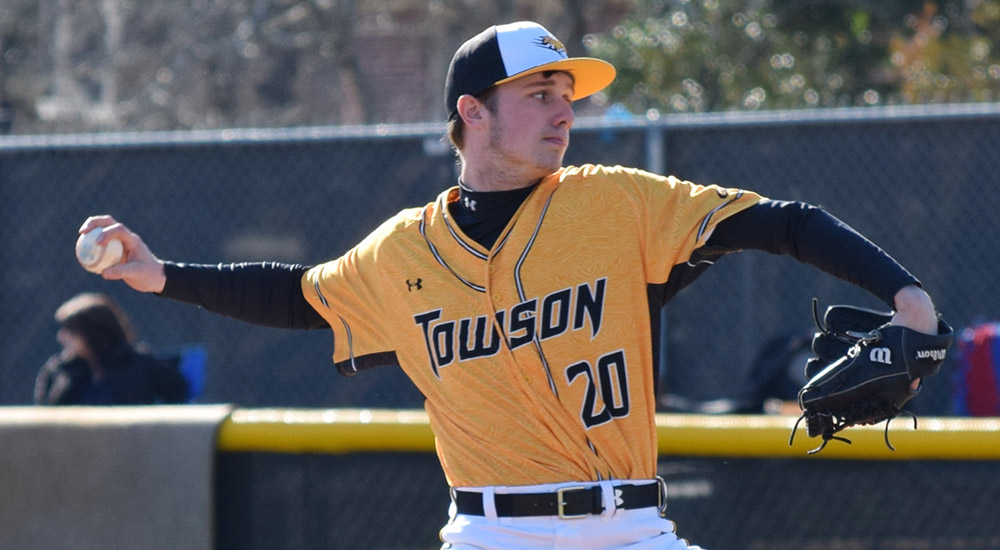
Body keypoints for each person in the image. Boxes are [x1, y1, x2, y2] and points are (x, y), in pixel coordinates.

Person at [79, 21, 943, 550]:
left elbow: (783, 222)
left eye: (568, 92)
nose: (564, 109)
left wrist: (907, 296)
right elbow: (294, 294)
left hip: (631, 527)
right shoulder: (402, 252)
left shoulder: (617, 203)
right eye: (538, 92)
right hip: (496, 532)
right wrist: (157, 277)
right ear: (472, 113)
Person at [34, 292, 188, 405]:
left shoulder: (137, 364)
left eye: (71, 331)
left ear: (93, 334)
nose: (61, 337)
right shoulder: (60, 370)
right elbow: (45, 416)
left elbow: (179, 392)